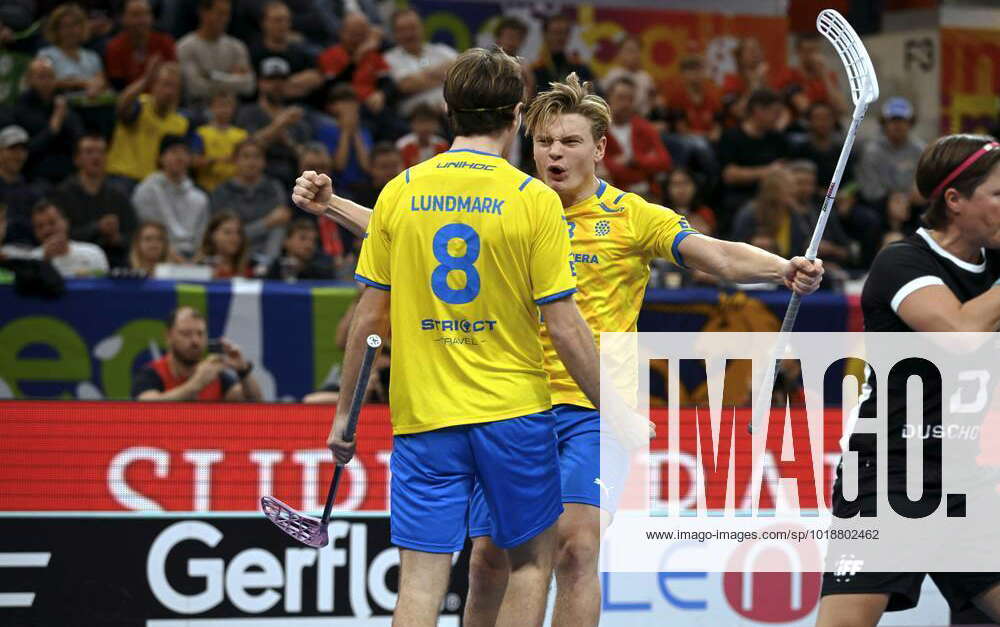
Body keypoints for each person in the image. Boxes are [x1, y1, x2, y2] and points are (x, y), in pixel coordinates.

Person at [298, 71, 825, 627]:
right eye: (545, 141)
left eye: (570, 141)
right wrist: (336, 207)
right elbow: (407, 229)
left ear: (598, 148)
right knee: (487, 559)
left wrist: (781, 268)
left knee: (575, 546)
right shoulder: (516, 202)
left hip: (593, 408)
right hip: (511, 406)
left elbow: (712, 255)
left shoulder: (631, 215)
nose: (555, 153)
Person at [294, 48, 604, 627]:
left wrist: (345, 418)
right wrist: (609, 405)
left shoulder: (400, 192)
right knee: (531, 565)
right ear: (517, 115)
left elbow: (368, 323)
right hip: (514, 415)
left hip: (425, 419)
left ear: (446, 109)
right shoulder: (534, 200)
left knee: (419, 583)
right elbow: (564, 324)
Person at [817, 135, 1000, 625]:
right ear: (955, 200)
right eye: (999, 193)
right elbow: (960, 331)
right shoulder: (902, 262)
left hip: (966, 479)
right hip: (891, 473)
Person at [133, 305, 262, 401]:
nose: (195, 341)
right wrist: (197, 384)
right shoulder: (151, 373)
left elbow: (254, 400)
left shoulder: (214, 375)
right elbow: (146, 407)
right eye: (186, 334)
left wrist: (243, 371)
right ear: (168, 337)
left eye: (200, 334)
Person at [50, 134, 137, 268]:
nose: (96, 157)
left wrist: (116, 239)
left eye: (101, 152)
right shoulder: (62, 194)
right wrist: (97, 228)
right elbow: (58, 235)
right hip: (73, 263)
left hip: (114, 263)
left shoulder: (118, 195)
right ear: (77, 159)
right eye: (89, 152)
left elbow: (133, 235)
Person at [106, 61, 188, 190]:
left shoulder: (180, 123)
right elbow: (121, 106)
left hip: (155, 184)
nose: (169, 92)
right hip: (123, 177)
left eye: (175, 87)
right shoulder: (139, 105)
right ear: (154, 86)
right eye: (166, 84)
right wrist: (145, 80)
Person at [5, 57, 84, 185]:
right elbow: (25, 152)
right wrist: (53, 127)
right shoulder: (20, 110)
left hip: (69, 174)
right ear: (29, 80)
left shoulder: (63, 104)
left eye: (50, 77)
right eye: (41, 77)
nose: (47, 82)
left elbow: (78, 138)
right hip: (36, 175)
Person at [209, 138, 290, 261]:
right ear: (235, 160)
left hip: (267, 259)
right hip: (231, 259)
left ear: (264, 162)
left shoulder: (275, 189)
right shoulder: (221, 192)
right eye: (246, 157)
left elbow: (279, 226)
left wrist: (268, 263)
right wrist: (266, 223)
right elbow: (223, 237)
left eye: (257, 157)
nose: (252, 162)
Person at [235, 55, 311, 187]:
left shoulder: (296, 116)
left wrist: (288, 142)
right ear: (260, 83)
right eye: (271, 79)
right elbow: (247, 147)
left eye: (282, 80)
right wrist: (278, 126)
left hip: (293, 180)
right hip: (258, 179)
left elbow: (306, 155)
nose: (277, 85)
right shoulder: (247, 113)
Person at [132, 135, 210, 260]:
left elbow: (201, 239)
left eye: (184, 153)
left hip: (192, 260)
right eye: (173, 152)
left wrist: (195, 261)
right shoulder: (146, 191)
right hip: (157, 257)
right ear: (161, 157)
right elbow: (147, 232)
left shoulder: (199, 198)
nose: (179, 157)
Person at [718, 88, 789, 220]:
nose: (778, 118)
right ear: (758, 110)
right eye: (775, 112)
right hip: (740, 196)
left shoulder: (777, 138)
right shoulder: (732, 136)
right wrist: (767, 171)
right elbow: (729, 175)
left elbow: (784, 167)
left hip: (773, 195)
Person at [857, 97, 925, 222]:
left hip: (912, 203)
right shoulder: (872, 151)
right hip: (880, 204)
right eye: (893, 121)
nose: (897, 125)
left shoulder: (920, 150)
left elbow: (923, 181)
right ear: (884, 123)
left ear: (910, 123)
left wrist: (909, 197)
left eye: (902, 121)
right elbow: (870, 190)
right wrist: (891, 199)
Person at [601, 76, 671, 197]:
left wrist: (634, 160)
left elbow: (664, 162)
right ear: (609, 99)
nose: (626, 104)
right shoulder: (599, 130)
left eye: (630, 99)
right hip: (615, 195)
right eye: (621, 98)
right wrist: (644, 167)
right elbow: (602, 167)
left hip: (647, 194)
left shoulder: (644, 127)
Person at [176, 0, 254, 107]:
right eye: (219, 14)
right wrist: (233, 78)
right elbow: (195, 88)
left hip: (232, 110)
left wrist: (210, 77)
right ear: (204, 13)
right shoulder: (185, 47)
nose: (225, 19)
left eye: (227, 14)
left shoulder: (237, 47)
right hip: (199, 109)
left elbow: (248, 85)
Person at [383, 8, 456, 116]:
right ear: (394, 34)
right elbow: (407, 86)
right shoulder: (389, 58)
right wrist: (444, 76)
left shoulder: (441, 50)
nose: (409, 34)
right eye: (402, 30)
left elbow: (463, 69)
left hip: (453, 114)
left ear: (422, 28)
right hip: (416, 120)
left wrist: (422, 77)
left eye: (413, 28)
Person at [248, 1, 322, 102]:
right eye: (277, 20)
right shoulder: (253, 52)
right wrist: (289, 85)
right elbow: (252, 87)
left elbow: (315, 78)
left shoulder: (300, 51)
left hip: (300, 107)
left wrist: (285, 84)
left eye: (286, 20)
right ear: (264, 23)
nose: (283, 25)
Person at [317, 11, 389, 115]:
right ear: (342, 33)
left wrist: (381, 94)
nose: (358, 40)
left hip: (375, 105)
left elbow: (387, 81)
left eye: (362, 34)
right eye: (354, 34)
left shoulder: (371, 54)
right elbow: (333, 87)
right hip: (349, 109)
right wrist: (356, 60)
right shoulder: (329, 56)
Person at [37, 3, 107, 101]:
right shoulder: (46, 55)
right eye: (65, 26)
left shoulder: (92, 56)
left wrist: (96, 86)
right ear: (56, 30)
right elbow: (45, 82)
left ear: (82, 27)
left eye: (75, 25)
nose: (70, 30)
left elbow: (100, 80)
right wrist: (81, 83)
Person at [103, 0, 177, 91]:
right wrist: (148, 77)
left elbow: (174, 81)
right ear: (123, 18)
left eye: (146, 14)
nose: (143, 20)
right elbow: (119, 90)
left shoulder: (164, 41)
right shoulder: (114, 47)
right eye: (136, 15)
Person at [27, 200, 109, 277]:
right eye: (40, 226)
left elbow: (108, 288)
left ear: (66, 223)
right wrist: (45, 260)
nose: (47, 230)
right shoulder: (31, 261)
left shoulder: (93, 253)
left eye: (52, 222)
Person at [773, 32, 847, 116]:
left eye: (816, 50)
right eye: (808, 51)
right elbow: (806, 109)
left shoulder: (828, 76)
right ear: (798, 52)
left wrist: (824, 76)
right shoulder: (788, 75)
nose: (813, 55)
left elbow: (842, 108)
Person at [314, 84, 372, 189]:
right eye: (343, 102)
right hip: (338, 185)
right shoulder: (326, 130)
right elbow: (338, 166)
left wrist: (355, 132)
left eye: (351, 102)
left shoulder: (364, 131)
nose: (349, 107)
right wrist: (345, 131)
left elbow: (366, 166)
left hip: (363, 185)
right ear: (331, 107)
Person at [192, 90, 248, 192]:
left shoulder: (242, 135)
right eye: (220, 105)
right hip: (207, 187)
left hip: (234, 188)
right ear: (211, 108)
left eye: (228, 106)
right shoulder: (201, 133)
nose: (224, 110)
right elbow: (194, 161)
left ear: (233, 109)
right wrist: (217, 160)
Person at [0, 125, 44, 246]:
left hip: (31, 252)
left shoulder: (33, 192)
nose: (18, 155)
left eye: (23, 149)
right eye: (12, 149)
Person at [533, 14, 593, 93]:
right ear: (545, 34)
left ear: (569, 35)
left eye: (564, 32)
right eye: (555, 32)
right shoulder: (535, 69)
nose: (560, 37)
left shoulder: (580, 68)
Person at [600, 36, 655, 118]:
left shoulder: (646, 77)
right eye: (629, 50)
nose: (632, 54)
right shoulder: (613, 75)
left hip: (640, 120)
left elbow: (651, 105)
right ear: (620, 53)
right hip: (615, 120)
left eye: (636, 51)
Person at [264, 217, 334, 280]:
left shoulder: (322, 273)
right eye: (302, 238)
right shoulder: (273, 270)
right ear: (286, 241)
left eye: (313, 240)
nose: (309, 245)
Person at [195, 210, 252, 278]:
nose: (235, 238)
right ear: (212, 235)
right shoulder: (199, 268)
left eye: (239, 233)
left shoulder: (249, 270)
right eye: (227, 232)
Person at [396, 103, 448, 168]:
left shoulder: (442, 144)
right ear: (412, 124)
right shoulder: (402, 145)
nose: (425, 127)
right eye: (421, 122)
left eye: (429, 122)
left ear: (436, 124)